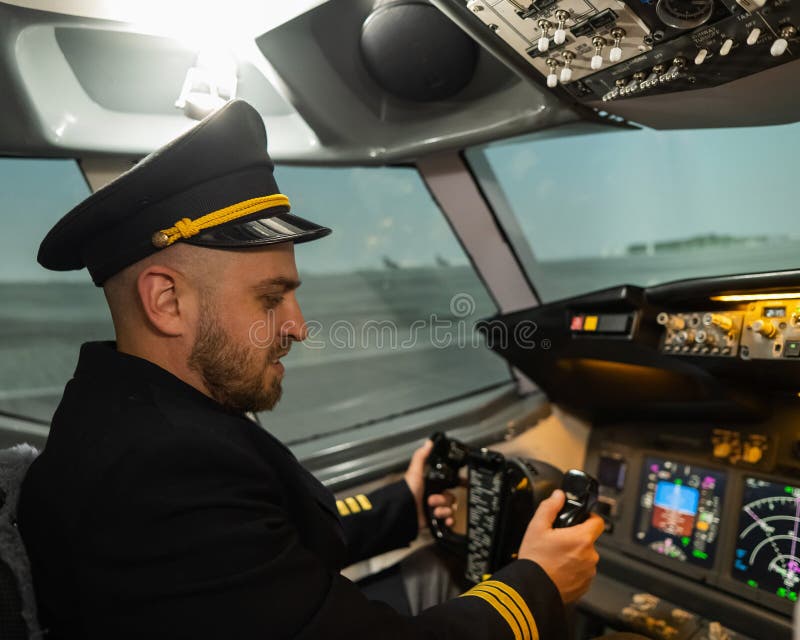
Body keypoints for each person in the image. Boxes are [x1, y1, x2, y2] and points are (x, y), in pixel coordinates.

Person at [18, 99, 606, 639]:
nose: (299, 326)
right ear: (166, 302)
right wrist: (538, 587)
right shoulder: (157, 472)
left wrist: (406, 498)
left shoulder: (129, 413)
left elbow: (263, 547)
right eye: (270, 299)